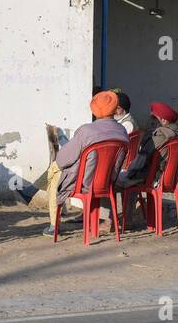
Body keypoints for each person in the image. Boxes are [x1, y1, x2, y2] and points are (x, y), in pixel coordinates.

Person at [44, 91, 129, 237]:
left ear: (94, 109)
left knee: (54, 169)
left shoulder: (86, 131)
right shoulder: (121, 131)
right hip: (108, 182)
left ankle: (54, 225)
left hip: (85, 183)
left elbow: (63, 159)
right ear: (115, 108)